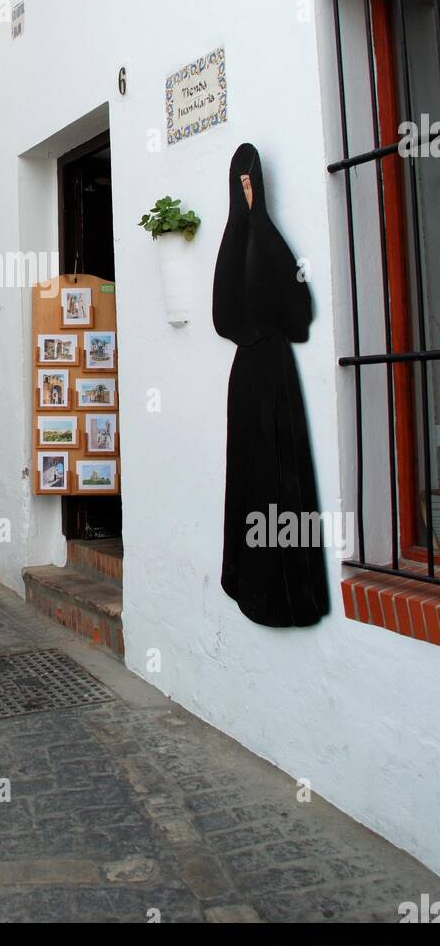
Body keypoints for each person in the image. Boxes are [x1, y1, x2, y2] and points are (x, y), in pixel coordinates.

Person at [212, 143, 329, 627]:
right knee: (250, 477)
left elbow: (300, 316)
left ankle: (288, 594)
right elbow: (223, 316)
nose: (245, 190)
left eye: (250, 180)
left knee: (282, 476)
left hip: (275, 375)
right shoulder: (233, 244)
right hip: (248, 378)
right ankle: (251, 582)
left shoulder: (269, 241)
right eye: (238, 182)